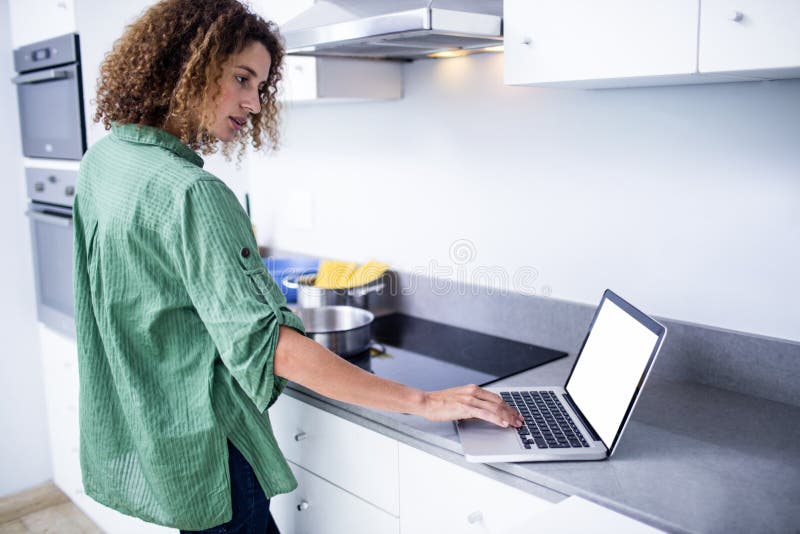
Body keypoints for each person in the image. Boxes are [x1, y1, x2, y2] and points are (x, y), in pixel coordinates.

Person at [73, 1, 523, 532]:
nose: (254, 103)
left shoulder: (106, 160)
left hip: (157, 431)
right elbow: (274, 347)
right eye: (242, 78)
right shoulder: (191, 193)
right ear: (186, 62)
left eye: (260, 86)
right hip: (213, 446)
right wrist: (421, 400)